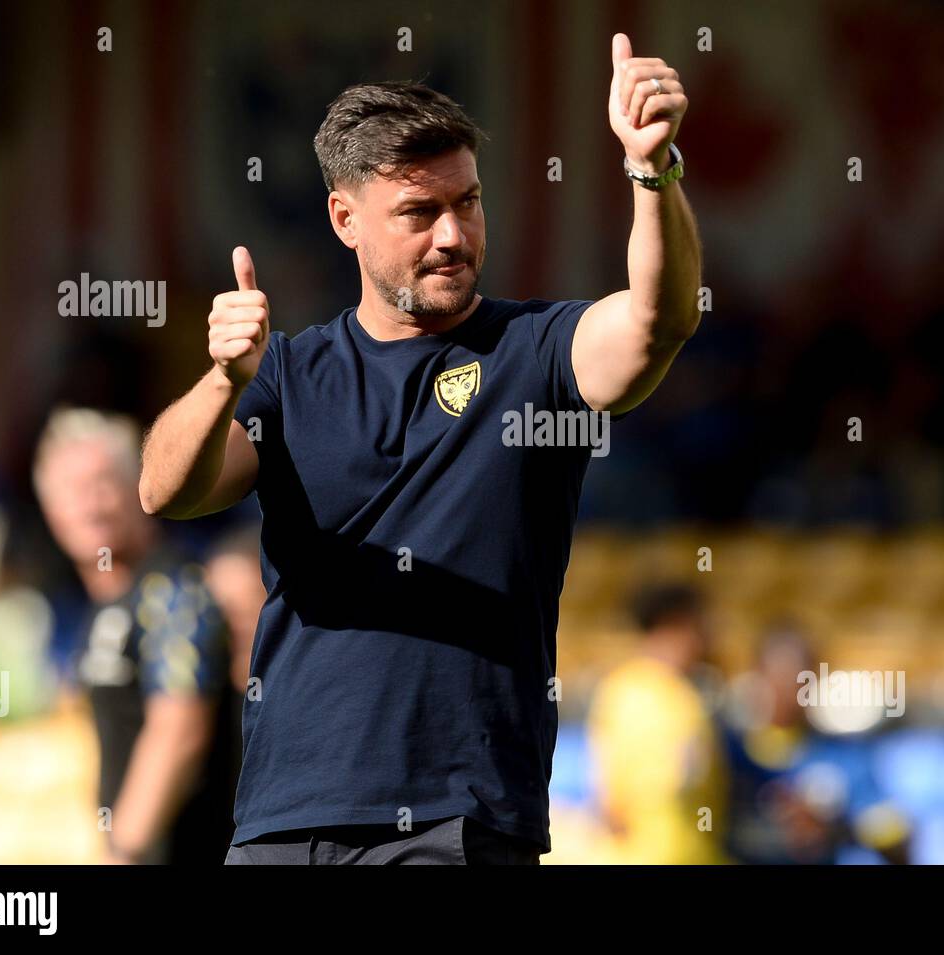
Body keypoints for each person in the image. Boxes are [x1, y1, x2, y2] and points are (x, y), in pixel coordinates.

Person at [138, 33, 702, 865]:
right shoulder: (288, 373)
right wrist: (223, 378)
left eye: (467, 203)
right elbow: (166, 490)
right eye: (419, 212)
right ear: (344, 219)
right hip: (280, 819)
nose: (453, 234)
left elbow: (659, 322)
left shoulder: (535, 352)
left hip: (456, 819)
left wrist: (653, 172)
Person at [33, 407, 237, 863]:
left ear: (137, 487)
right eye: (71, 489)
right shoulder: (99, 606)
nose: (90, 503)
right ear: (48, 506)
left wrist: (124, 850)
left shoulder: (173, 590)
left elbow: (179, 728)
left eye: (103, 482)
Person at [585, 583, 730, 864]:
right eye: (698, 627)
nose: (705, 640)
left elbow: (607, 798)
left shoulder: (618, 689)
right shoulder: (679, 700)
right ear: (677, 624)